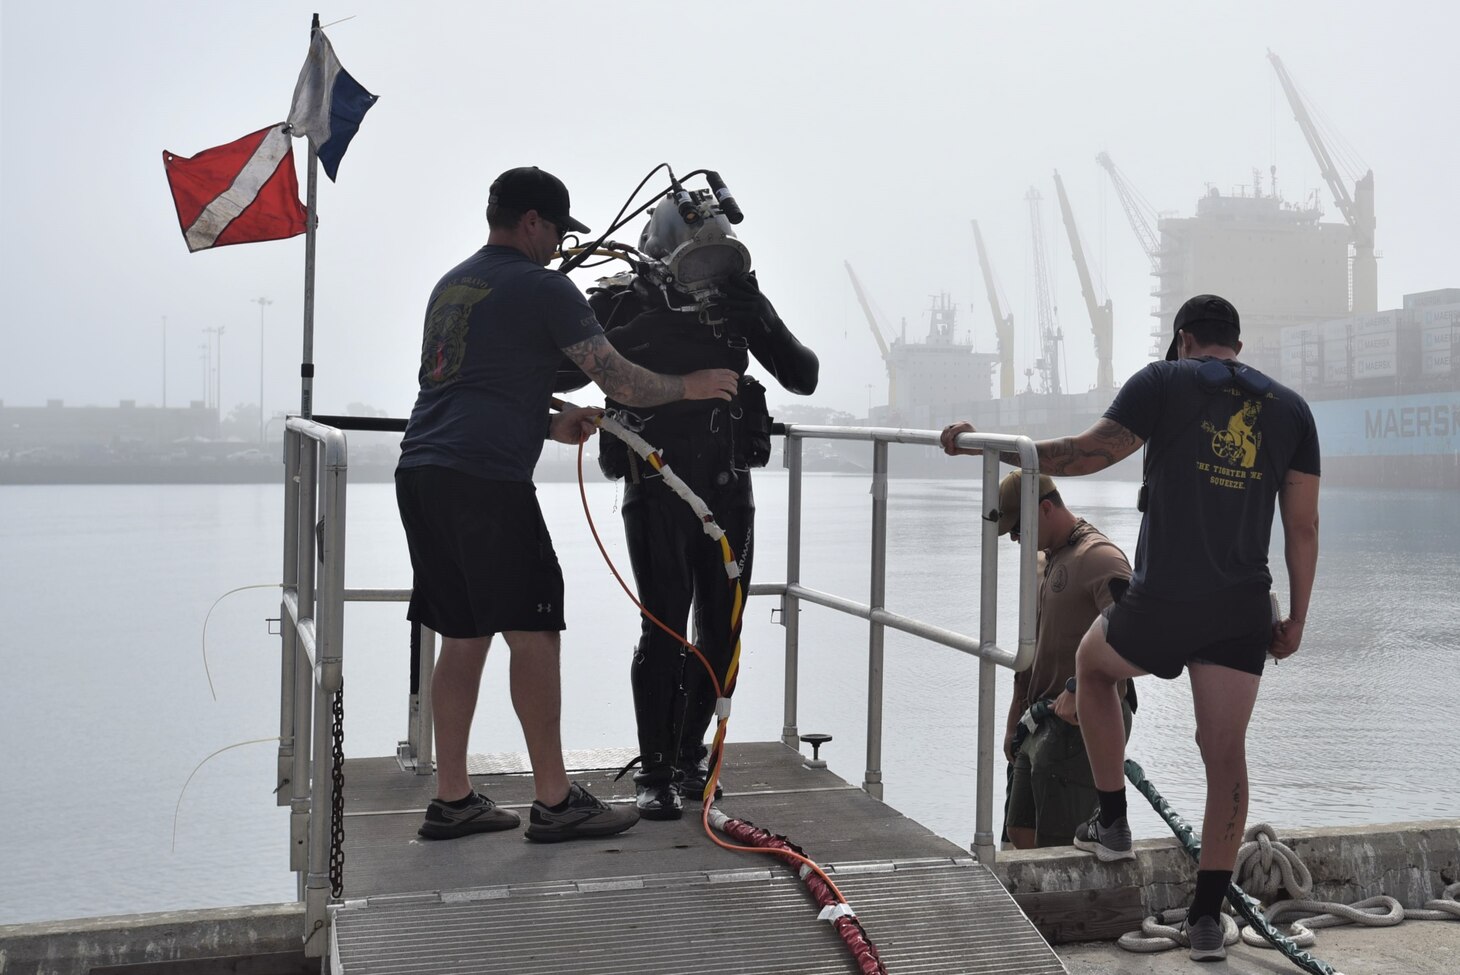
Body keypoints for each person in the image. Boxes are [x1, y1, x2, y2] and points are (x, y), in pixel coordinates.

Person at [940, 294, 1320, 962]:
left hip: (1165, 598)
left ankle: (1112, 818)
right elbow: (1304, 526)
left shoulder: (1163, 381)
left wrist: (997, 449)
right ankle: (1206, 920)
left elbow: (1085, 455)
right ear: (1236, 342)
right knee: (1224, 751)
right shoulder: (1291, 410)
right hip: (1241, 607)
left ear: (1183, 339)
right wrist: (1295, 618)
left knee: (1093, 668)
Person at [395, 166, 740, 843]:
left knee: (462, 634)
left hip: (424, 470)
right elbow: (621, 380)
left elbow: (466, 383)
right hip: (484, 481)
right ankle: (554, 801)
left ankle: (453, 797)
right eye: (556, 232)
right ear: (532, 222)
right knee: (534, 628)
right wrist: (691, 385)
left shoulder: (454, 284)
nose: (559, 247)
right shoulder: (543, 286)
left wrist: (546, 423)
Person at [585, 203, 820, 820]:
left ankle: (691, 758)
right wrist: (651, 338)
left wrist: (763, 318)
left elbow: (804, 376)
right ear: (663, 261)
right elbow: (575, 364)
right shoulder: (623, 302)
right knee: (663, 626)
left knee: (722, 629)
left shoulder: (738, 304)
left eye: (720, 262)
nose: (708, 277)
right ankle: (655, 769)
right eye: (697, 263)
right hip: (656, 484)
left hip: (727, 486)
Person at [993, 470, 1133, 851]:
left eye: (1019, 528)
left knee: (1059, 850)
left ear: (1045, 508)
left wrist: (1079, 689)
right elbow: (1033, 645)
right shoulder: (1045, 561)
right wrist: (1013, 718)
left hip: (1079, 728)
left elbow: (1135, 637)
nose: (1016, 538)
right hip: (1036, 722)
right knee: (1018, 833)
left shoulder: (1099, 559)